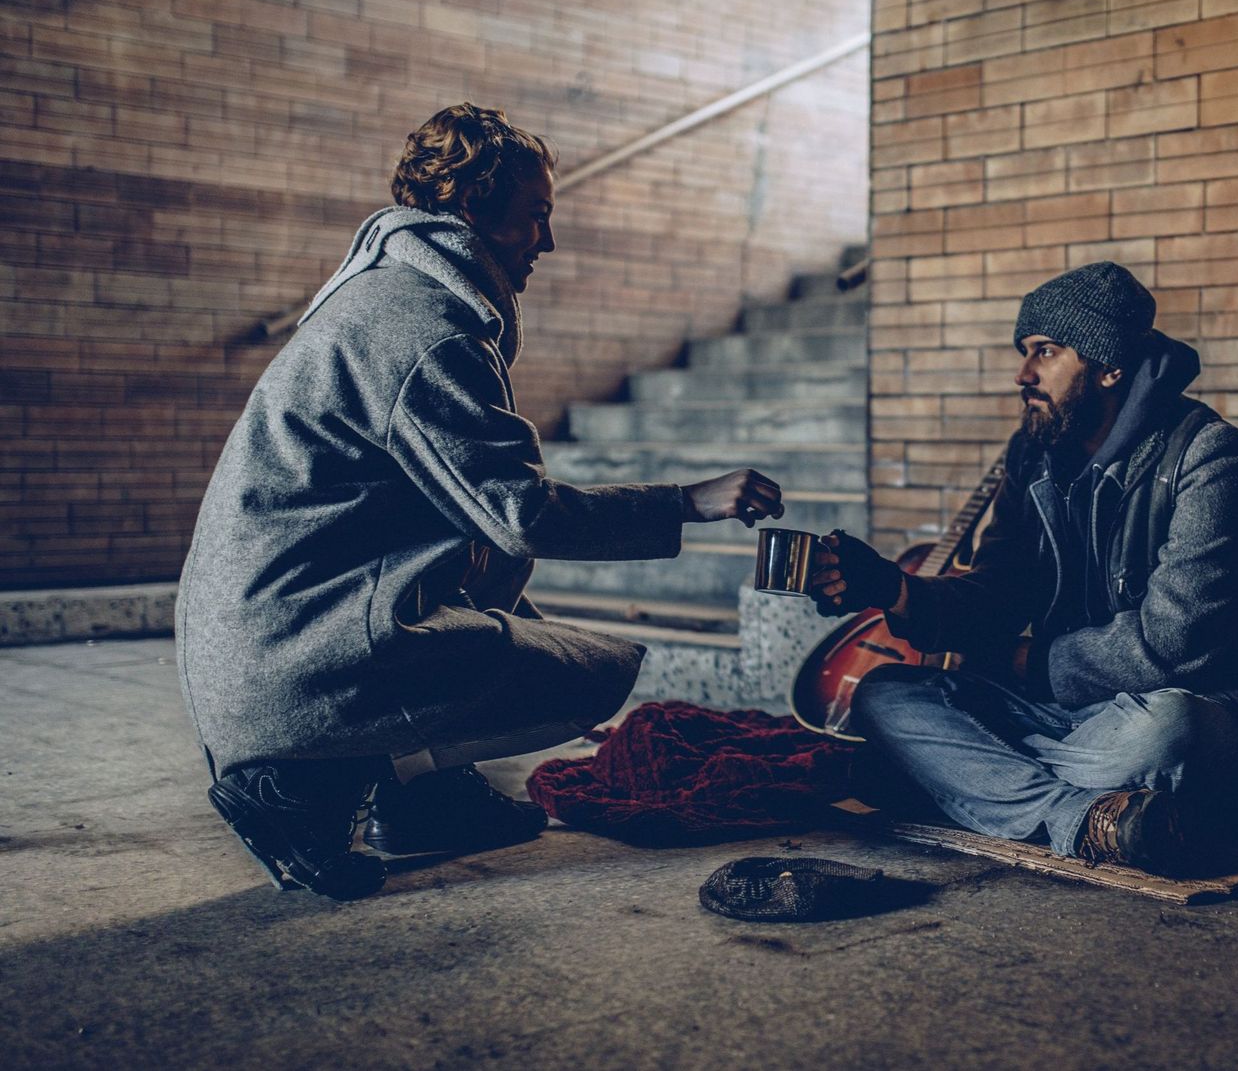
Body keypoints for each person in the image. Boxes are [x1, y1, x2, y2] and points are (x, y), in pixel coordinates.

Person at [176, 104, 785, 900]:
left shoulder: (383, 291)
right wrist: (686, 502)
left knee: (485, 557)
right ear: (472, 207)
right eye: (536, 215)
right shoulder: (426, 328)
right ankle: (301, 788)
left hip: (259, 640)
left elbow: (485, 525)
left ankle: (422, 798)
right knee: (583, 676)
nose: (547, 241)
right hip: (284, 663)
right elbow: (523, 512)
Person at [808, 261, 1238, 875]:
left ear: (1109, 366)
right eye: (1025, 352)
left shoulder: (1212, 458)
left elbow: (1175, 645)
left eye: (1046, 351)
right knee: (884, 695)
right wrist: (894, 589)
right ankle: (1085, 818)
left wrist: (1029, 663)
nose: (1023, 374)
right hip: (1061, 716)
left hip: (1182, 709)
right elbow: (997, 594)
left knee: (1167, 733)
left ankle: (961, 781)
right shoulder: (1034, 455)